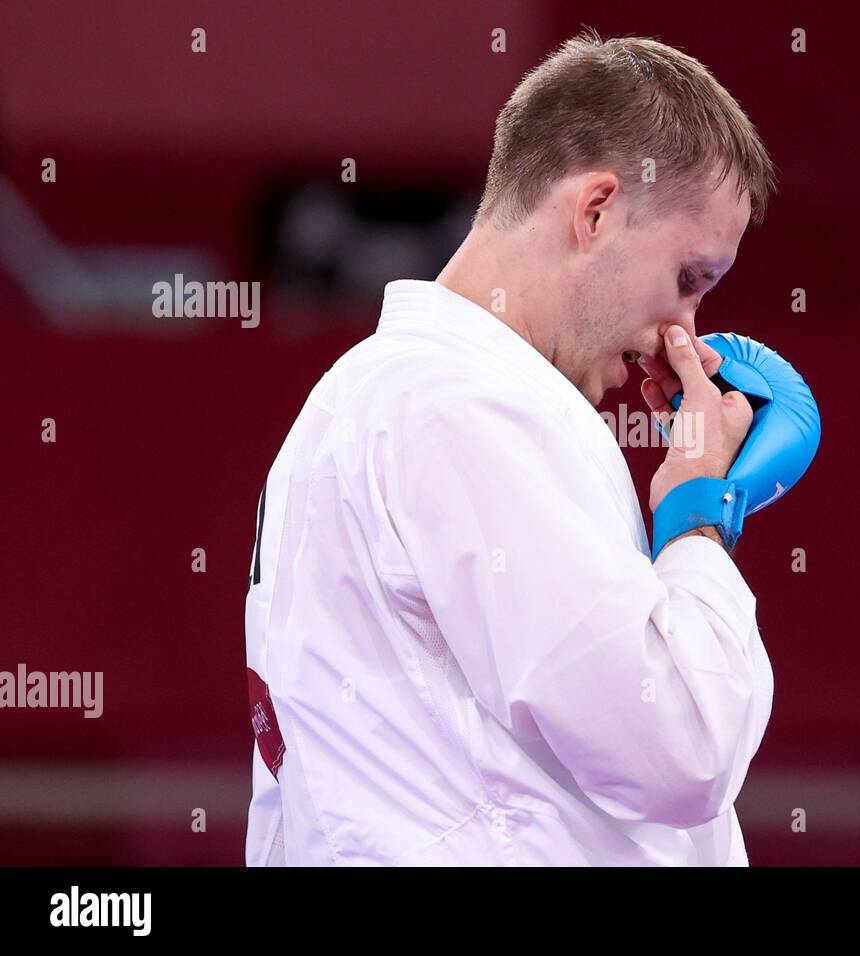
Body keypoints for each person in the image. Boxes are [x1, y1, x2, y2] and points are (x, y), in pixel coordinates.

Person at [244, 29, 779, 866]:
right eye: (689, 279)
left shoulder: (388, 397)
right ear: (596, 210)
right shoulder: (469, 405)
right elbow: (680, 746)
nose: (685, 330)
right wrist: (698, 514)